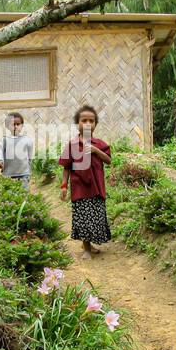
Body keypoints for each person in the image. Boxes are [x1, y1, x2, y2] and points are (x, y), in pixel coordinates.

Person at [59, 104, 112, 255]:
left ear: (95, 124)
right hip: (80, 188)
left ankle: (88, 245)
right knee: (83, 218)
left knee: (96, 218)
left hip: (97, 188)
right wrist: (64, 186)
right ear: (77, 123)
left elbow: (108, 160)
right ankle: (86, 249)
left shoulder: (100, 144)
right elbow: (66, 167)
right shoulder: (73, 145)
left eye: (92, 121)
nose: (88, 124)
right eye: (84, 120)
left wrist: (96, 151)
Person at [0, 112, 34, 189]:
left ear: (22, 125)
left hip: (23, 173)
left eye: (18, 124)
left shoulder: (27, 140)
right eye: (13, 124)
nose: (15, 126)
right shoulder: (5, 140)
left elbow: (30, 156)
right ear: (7, 126)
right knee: (9, 193)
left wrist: (29, 167)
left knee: (24, 193)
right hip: (8, 173)